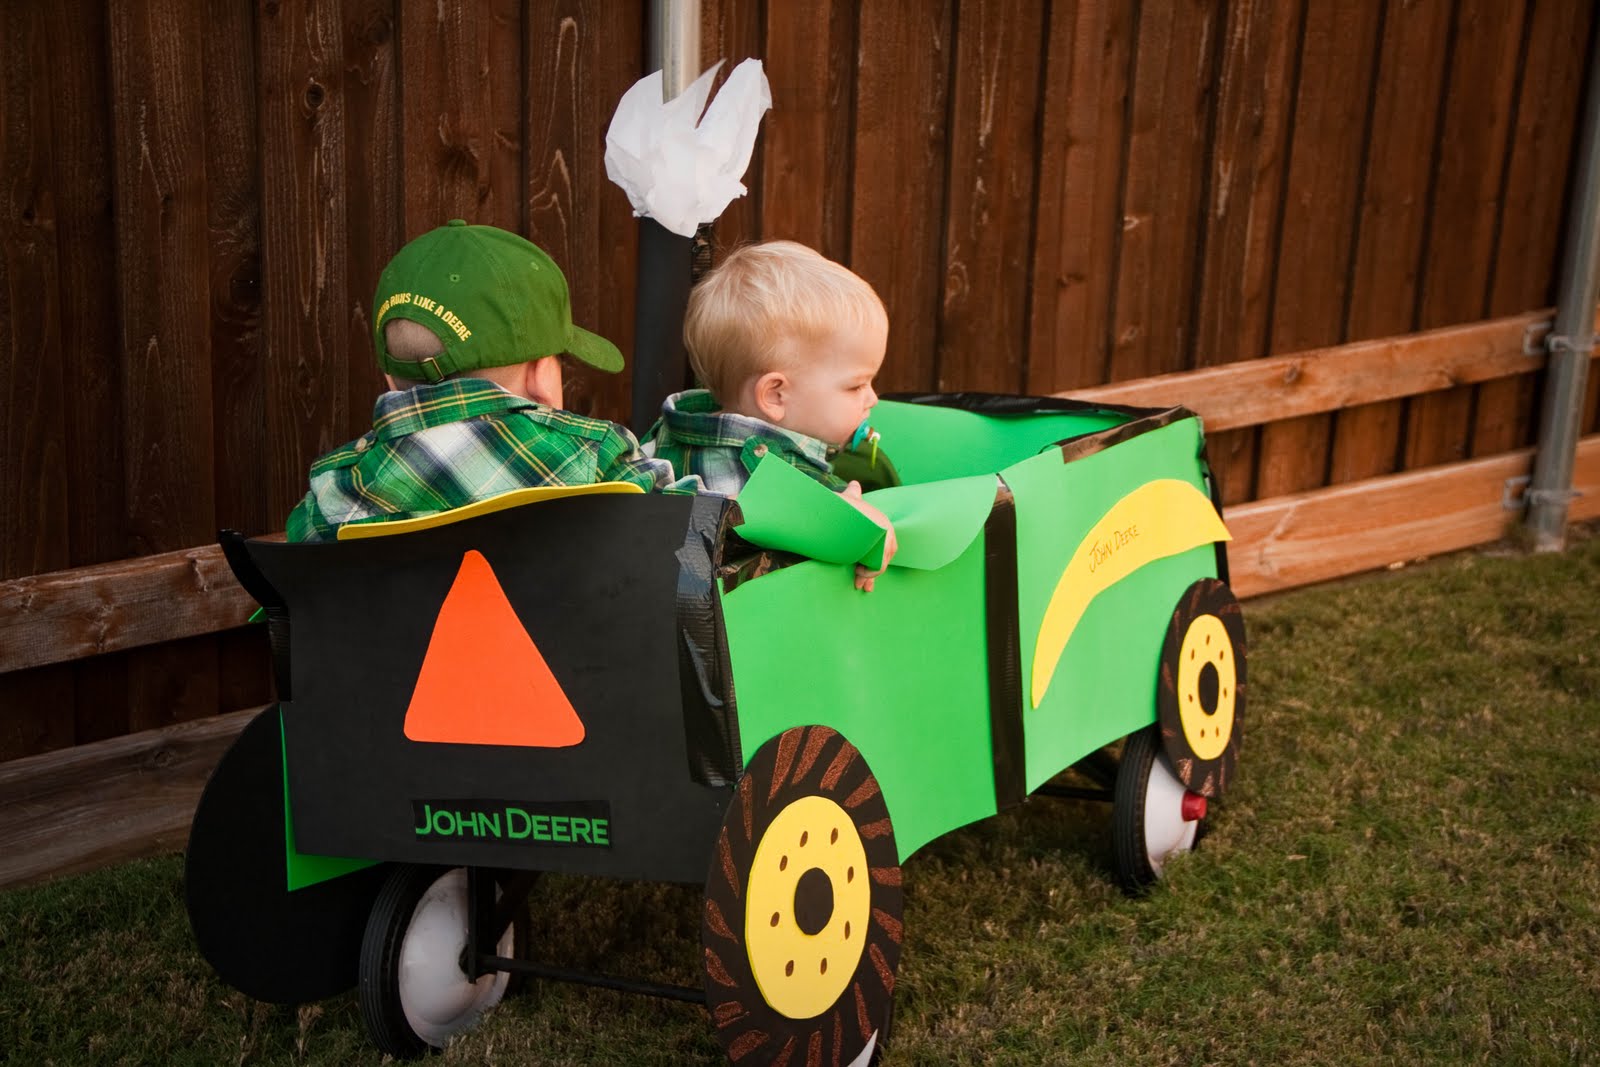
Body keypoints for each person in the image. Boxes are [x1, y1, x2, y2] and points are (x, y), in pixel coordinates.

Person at [286, 220, 692, 542]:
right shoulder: (597, 459)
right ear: (540, 375)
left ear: (390, 380)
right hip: (555, 649)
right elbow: (683, 546)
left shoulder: (331, 493)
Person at [644, 240, 897, 589]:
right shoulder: (766, 476)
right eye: (856, 386)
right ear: (775, 395)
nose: (872, 399)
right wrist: (848, 524)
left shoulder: (665, 435)